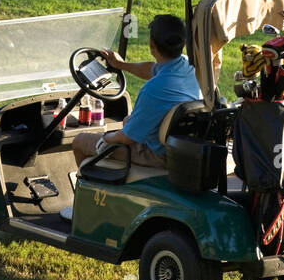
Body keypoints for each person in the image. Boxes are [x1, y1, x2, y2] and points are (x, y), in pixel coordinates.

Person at [71, 14, 201, 171]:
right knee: (127, 119)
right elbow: (150, 69)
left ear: (152, 45)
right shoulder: (187, 67)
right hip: (180, 145)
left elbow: (127, 137)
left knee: (80, 141)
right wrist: (121, 64)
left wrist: (107, 137)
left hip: (158, 156)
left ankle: (93, 192)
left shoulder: (153, 90)